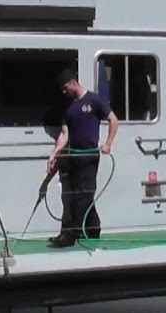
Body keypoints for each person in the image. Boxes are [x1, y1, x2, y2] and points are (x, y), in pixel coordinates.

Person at [46, 69, 119, 248]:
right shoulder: (68, 107)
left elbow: (113, 120)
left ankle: (70, 234)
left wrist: (108, 143)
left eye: (66, 88)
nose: (64, 92)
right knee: (71, 194)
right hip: (73, 155)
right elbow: (64, 134)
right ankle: (93, 227)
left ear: (73, 83)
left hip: (89, 155)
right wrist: (54, 153)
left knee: (83, 194)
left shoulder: (94, 100)